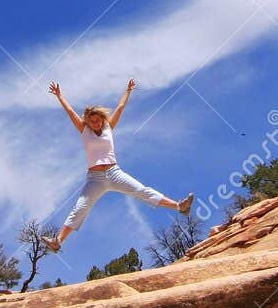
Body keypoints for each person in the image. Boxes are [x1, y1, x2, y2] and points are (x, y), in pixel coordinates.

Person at [43, 78, 193, 252]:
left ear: (102, 119)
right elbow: (70, 111)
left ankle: (179, 206)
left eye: (98, 120)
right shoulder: (84, 131)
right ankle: (58, 241)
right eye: (92, 121)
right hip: (95, 179)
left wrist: (128, 91)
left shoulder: (108, 128)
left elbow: (120, 108)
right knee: (81, 207)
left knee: (141, 190)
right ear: (88, 122)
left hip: (114, 172)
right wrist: (60, 96)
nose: (96, 123)